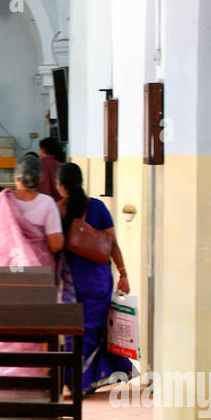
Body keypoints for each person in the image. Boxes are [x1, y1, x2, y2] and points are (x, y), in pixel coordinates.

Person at [0, 152, 64, 378]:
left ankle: (3, 368)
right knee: (37, 323)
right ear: (40, 179)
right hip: (38, 276)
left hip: (4, 275)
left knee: (7, 318)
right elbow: (55, 244)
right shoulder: (47, 203)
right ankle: (37, 373)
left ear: (16, 178)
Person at [55, 161, 136, 396]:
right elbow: (113, 244)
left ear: (61, 186)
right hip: (98, 281)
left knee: (73, 331)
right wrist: (123, 273)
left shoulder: (58, 210)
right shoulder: (98, 207)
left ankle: (77, 381)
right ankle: (85, 380)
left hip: (71, 282)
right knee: (95, 331)